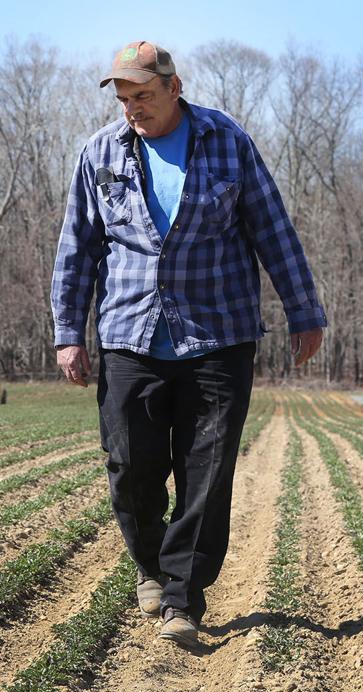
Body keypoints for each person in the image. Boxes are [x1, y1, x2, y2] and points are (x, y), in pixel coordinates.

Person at [51, 40, 326, 646]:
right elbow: (77, 248)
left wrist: (304, 311)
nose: (133, 109)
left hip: (219, 334)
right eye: (124, 98)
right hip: (130, 332)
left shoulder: (228, 142)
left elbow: (271, 228)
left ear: (175, 88)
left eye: (143, 96)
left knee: (206, 473)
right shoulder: (100, 153)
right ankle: (150, 566)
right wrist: (69, 332)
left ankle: (183, 597)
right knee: (130, 468)